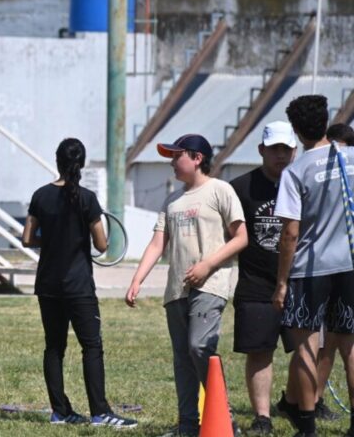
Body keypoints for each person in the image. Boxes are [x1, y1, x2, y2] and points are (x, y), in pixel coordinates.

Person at [125, 134, 248, 437]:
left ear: (196, 158)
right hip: (176, 291)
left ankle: (224, 419)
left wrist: (208, 264)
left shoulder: (220, 190)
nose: (171, 162)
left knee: (198, 346)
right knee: (183, 358)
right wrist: (137, 279)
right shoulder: (172, 200)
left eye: (176, 156)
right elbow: (157, 244)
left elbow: (241, 237)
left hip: (210, 285)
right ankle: (188, 426)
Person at [18, 138, 137, 430]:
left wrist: (53, 239)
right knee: (92, 346)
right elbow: (102, 243)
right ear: (81, 164)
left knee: (54, 347)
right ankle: (100, 411)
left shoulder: (40, 195)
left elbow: (27, 238)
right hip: (79, 285)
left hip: (48, 283)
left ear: (56, 160)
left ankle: (60, 411)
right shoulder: (87, 198)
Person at [272, 96, 354, 437]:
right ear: (326, 120)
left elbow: (290, 233)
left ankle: (307, 427)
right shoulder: (351, 158)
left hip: (310, 269)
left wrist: (280, 282)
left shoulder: (296, 171)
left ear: (295, 130)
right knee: (350, 346)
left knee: (306, 345)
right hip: (349, 264)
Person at [228, 122, 297, 434]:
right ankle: (263, 417)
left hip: (300, 281)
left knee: (313, 349)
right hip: (256, 283)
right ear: (261, 150)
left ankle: (302, 404)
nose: (281, 155)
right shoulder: (240, 188)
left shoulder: (303, 183)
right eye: (275, 149)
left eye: (286, 149)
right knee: (260, 351)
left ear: (295, 150)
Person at [311, 122, 354, 418]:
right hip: (342, 267)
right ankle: (313, 399)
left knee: (334, 342)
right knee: (337, 342)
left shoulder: (321, 174)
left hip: (328, 268)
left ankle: (312, 401)